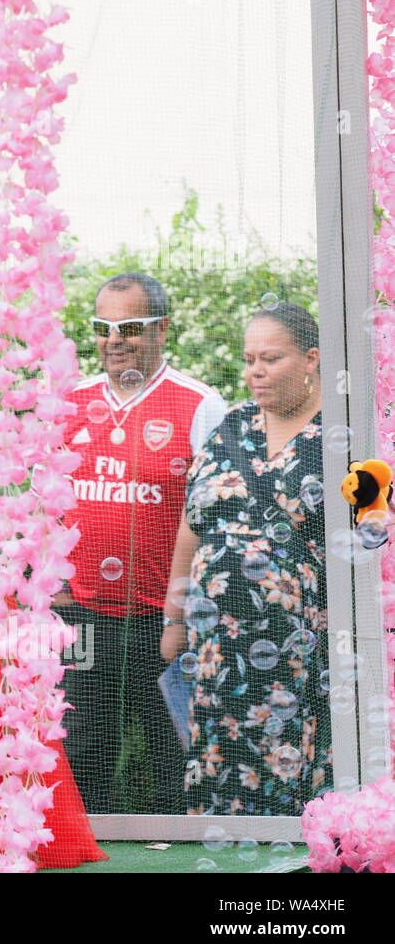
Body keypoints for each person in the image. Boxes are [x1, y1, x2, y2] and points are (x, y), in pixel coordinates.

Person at [57, 272, 227, 814]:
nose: (113, 339)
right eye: (103, 327)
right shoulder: (70, 401)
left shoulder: (201, 405)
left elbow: (218, 519)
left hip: (167, 623)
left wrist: (187, 613)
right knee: (82, 758)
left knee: (175, 762)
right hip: (86, 615)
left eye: (129, 326)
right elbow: (44, 502)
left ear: (161, 329)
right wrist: (51, 584)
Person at [163, 302, 330, 816]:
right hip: (216, 646)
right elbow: (191, 527)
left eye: (271, 358)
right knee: (220, 757)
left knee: (290, 763)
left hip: (297, 647)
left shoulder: (343, 435)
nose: (255, 371)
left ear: (310, 359)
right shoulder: (231, 427)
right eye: (249, 358)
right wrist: (174, 618)